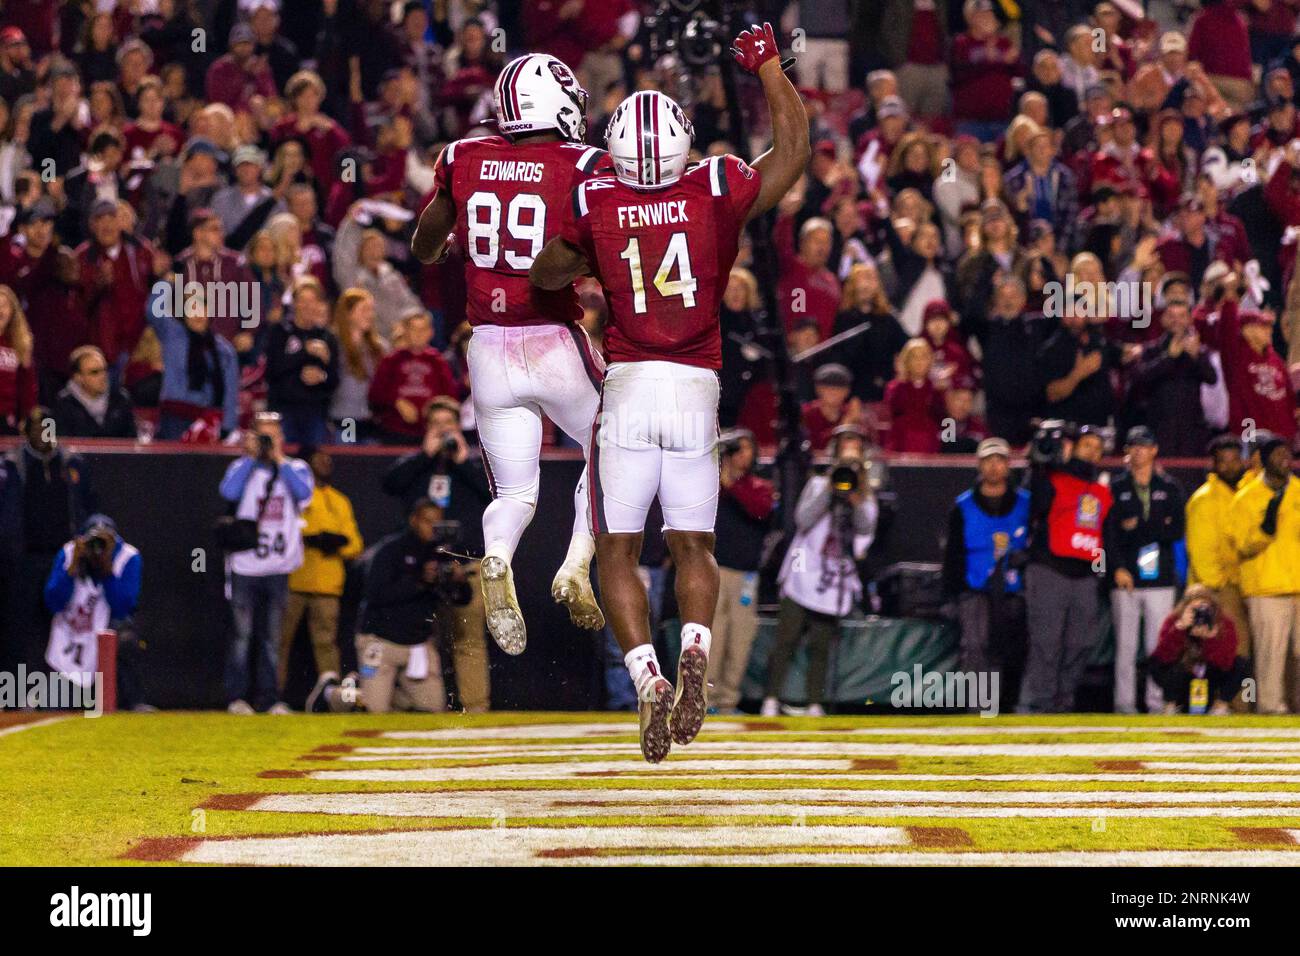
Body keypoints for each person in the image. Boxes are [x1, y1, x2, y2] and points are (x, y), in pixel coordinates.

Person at [530, 22, 809, 760]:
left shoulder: (595, 201)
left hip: (627, 385)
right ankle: (693, 649)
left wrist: (581, 258)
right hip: (695, 388)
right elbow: (794, 152)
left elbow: (545, 274)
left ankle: (647, 677)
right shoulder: (715, 185)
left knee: (619, 552)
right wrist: (769, 70)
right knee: (694, 544)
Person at [409, 52, 611, 658]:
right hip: (552, 337)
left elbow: (423, 245)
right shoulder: (584, 164)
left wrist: (458, 243)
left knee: (515, 493)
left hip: (488, 346)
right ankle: (576, 565)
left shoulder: (464, 156)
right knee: (616, 443)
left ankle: (497, 558)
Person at [382, 398, 493, 713]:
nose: (444, 430)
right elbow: (389, 483)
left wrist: (461, 461)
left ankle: (475, 712)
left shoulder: (471, 466)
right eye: (437, 425)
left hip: (465, 566)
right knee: (422, 638)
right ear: (427, 429)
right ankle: (428, 707)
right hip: (419, 569)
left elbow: (494, 493)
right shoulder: (417, 465)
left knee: (468, 641)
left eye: (450, 424)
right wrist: (424, 456)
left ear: (460, 428)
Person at [762, 426, 878, 717]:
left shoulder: (865, 495)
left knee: (821, 644)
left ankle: (815, 702)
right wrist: (830, 488)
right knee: (786, 638)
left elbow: (866, 529)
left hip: (833, 577)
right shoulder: (817, 484)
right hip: (804, 570)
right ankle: (771, 698)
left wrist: (854, 497)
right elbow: (802, 520)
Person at [218, 412, 313, 714]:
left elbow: (304, 493)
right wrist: (250, 457)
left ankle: (270, 698)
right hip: (246, 565)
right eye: (263, 436)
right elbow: (228, 491)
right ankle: (237, 697)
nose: (268, 442)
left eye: (273, 436)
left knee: (272, 638)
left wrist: (279, 458)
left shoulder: (295, 468)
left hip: (278, 566)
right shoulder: (242, 469)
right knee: (242, 636)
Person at [1018, 422, 1113, 713]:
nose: (1092, 453)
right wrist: (1036, 465)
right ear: (1071, 447)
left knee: (1080, 644)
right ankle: (1035, 704)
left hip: (1085, 575)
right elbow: (1031, 507)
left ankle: (1063, 702)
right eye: (1087, 445)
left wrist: (1104, 573)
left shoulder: (1103, 492)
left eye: (1098, 449)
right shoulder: (1051, 479)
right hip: (1049, 570)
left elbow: (1106, 537)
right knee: (1046, 643)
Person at [350, 498, 471, 714]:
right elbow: (375, 594)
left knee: (432, 710)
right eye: (427, 521)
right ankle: (340, 696)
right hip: (380, 641)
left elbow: (462, 599)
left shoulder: (441, 554)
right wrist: (419, 581)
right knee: (373, 711)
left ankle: (386, 696)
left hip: (417, 645)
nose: (432, 528)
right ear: (414, 520)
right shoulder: (390, 550)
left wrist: (460, 581)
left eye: (437, 523)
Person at [0, 407, 96, 674]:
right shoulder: (11, 466)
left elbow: (87, 507)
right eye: (38, 428)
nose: (45, 435)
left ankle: (59, 693)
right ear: (25, 432)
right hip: (24, 559)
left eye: (49, 428)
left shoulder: (72, 464)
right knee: (18, 628)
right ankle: (15, 693)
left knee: (64, 627)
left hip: (64, 560)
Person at [941, 437, 1030, 707]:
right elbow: (952, 554)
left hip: (1014, 590)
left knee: (1010, 648)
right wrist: (951, 595)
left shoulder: (1026, 503)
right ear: (979, 465)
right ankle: (979, 706)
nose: (994, 467)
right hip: (975, 587)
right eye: (988, 461)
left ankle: (1007, 705)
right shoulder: (963, 505)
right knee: (976, 646)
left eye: (1000, 460)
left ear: (1008, 465)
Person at [1103, 426, 1186, 714]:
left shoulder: (1170, 487)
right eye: (1133, 446)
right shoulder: (1115, 487)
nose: (1138, 451)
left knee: (1157, 646)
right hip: (1126, 576)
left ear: (1154, 450)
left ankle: (1155, 701)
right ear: (1127, 451)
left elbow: (1176, 530)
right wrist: (1117, 568)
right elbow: (1110, 534)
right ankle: (1124, 703)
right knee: (1125, 647)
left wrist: (1137, 526)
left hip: (1160, 576)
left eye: (1144, 446)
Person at [278, 447, 362, 697]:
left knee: (326, 644)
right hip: (293, 580)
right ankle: (272, 697)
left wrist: (337, 543)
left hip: (327, 585)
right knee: (280, 642)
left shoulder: (339, 500)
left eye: (328, 459)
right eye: (318, 459)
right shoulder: (294, 496)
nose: (325, 463)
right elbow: (284, 534)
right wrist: (309, 539)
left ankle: (333, 698)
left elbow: (356, 544)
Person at [1228, 431, 1300, 714]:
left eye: (1288, 454)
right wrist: (1265, 530)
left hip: (1298, 584)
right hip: (1266, 587)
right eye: (1278, 454)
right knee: (1271, 655)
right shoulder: (1246, 498)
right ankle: (1271, 707)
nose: (1285, 459)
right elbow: (1243, 545)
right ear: (1265, 458)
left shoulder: (1298, 490)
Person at [712, 429, 776, 714]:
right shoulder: (710, 483)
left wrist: (733, 485)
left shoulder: (759, 486)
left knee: (740, 638)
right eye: (737, 449)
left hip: (746, 575)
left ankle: (727, 700)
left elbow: (761, 509)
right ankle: (704, 700)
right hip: (714, 571)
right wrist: (721, 477)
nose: (743, 454)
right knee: (712, 636)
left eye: (748, 448)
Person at [43, 513, 141, 699]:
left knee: (126, 634)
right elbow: (53, 602)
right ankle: (56, 697)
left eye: (104, 542)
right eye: (93, 542)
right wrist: (71, 569)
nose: (98, 548)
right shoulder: (71, 552)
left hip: (108, 631)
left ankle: (130, 698)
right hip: (71, 634)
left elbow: (123, 608)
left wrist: (107, 571)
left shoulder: (128, 557)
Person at [1186, 435, 1251, 656]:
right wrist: (1216, 588)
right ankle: (1229, 693)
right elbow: (1202, 550)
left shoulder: (1244, 493)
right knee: (1231, 650)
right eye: (1223, 460)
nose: (1230, 466)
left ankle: (1242, 692)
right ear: (1214, 464)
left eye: (1235, 459)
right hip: (1220, 588)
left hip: (1244, 584)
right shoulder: (1205, 499)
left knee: (1243, 651)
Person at [1149, 586, 1248, 715]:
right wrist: (1179, 629)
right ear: (1185, 607)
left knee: (1241, 664)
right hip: (1181, 679)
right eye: (1194, 609)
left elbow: (1226, 663)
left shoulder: (1224, 623)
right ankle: (1170, 704)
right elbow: (1163, 656)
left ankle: (1220, 706)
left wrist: (1210, 639)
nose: (1199, 614)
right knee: (1156, 661)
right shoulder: (1174, 620)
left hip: (1210, 677)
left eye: (1204, 608)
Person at [53, 345, 136, 438]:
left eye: (104, 370)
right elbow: (62, 445)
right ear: (78, 378)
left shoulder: (121, 399)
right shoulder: (64, 404)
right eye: (94, 372)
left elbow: (132, 441)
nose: (103, 376)